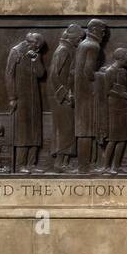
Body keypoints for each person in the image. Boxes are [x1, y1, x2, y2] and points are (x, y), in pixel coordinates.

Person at [6, 32, 46, 171]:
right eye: (37, 46)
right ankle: (20, 164)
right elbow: (9, 75)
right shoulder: (16, 52)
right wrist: (12, 97)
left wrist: (36, 59)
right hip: (20, 96)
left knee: (35, 129)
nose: (38, 49)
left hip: (34, 96)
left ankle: (32, 164)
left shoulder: (35, 54)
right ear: (31, 42)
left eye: (39, 48)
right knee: (23, 130)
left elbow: (41, 74)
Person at [74, 19, 108, 172]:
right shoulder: (93, 46)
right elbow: (88, 72)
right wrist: (102, 75)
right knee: (87, 130)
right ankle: (84, 166)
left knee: (85, 129)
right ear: (93, 29)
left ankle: (86, 164)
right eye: (102, 31)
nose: (104, 34)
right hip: (88, 92)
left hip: (81, 92)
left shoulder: (83, 44)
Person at [49, 24, 82, 170]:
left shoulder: (68, 49)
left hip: (66, 95)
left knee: (67, 128)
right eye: (80, 38)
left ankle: (65, 163)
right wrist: (65, 94)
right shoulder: (63, 50)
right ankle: (60, 164)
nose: (80, 41)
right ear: (73, 37)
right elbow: (54, 75)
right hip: (61, 97)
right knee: (65, 129)